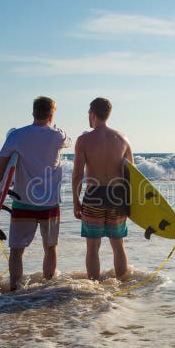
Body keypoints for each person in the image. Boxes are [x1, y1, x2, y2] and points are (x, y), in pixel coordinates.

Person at [0, 96, 71, 291]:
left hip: (22, 202)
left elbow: (1, 168)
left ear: (33, 112)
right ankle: (47, 288)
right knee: (50, 248)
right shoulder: (57, 136)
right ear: (51, 115)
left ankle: (15, 289)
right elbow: (68, 140)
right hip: (49, 203)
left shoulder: (16, 136)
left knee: (17, 251)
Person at [72, 97, 133, 280]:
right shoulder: (123, 139)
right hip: (117, 196)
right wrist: (130, 204)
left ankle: (93, 288)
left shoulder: (83, 140)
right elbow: (131, 176)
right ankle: (123, 287)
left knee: (92, 246)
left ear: (92, 114)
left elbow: (77, 175)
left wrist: (76, 202)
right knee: (118, 244)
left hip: (94, 196)